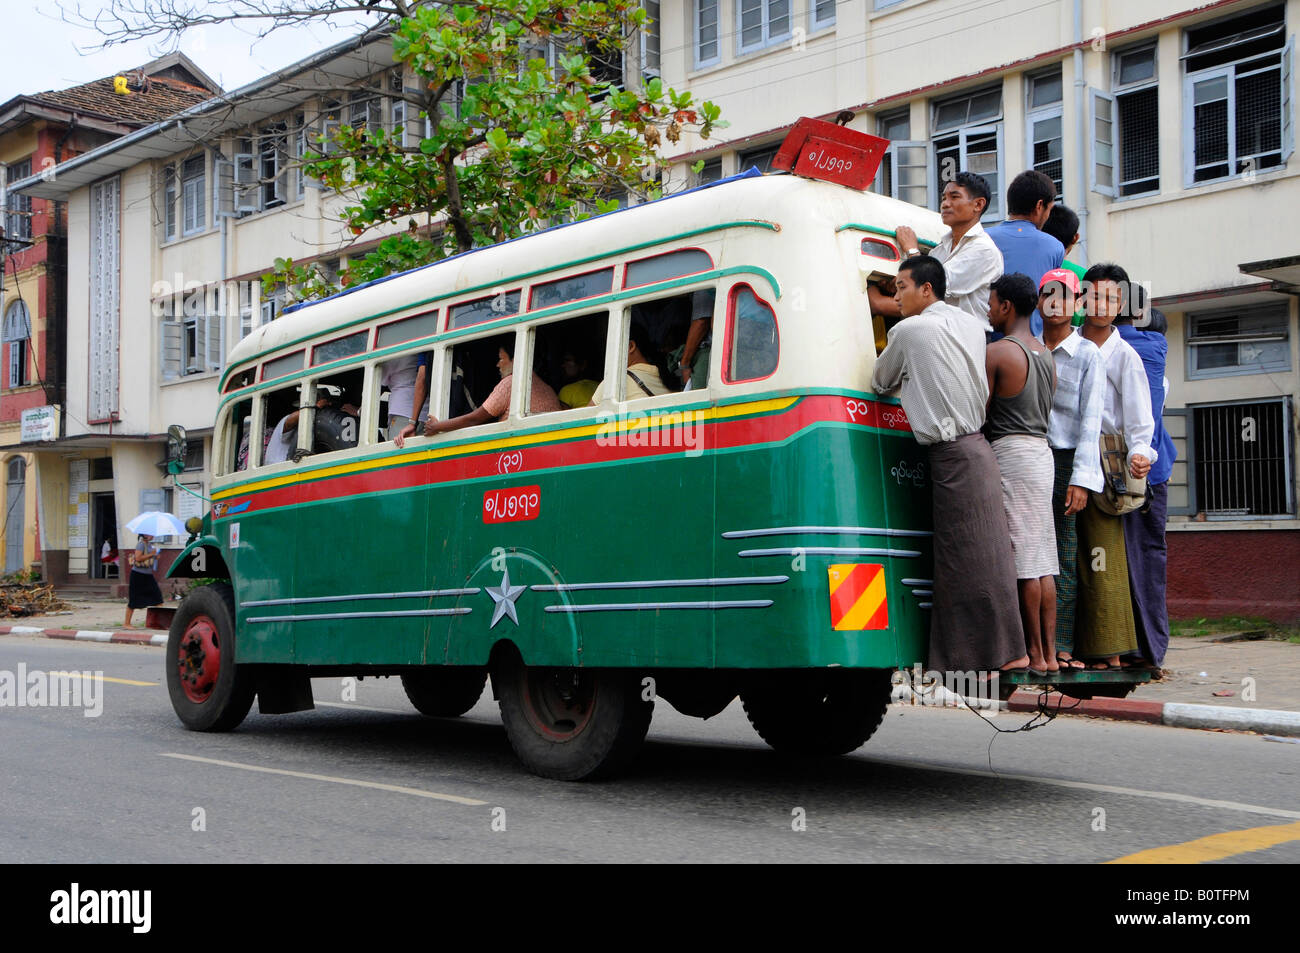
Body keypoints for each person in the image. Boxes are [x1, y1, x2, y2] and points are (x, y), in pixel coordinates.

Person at [871, 255, 1027, 675]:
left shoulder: (909, 330)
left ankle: (988, 657)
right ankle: (1003, 651)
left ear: (926, 289)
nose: (896, 296)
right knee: (987, 555)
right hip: (978, 449)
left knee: (964, 560)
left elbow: (879, 381)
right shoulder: (971, 325)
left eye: (901, 287)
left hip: (952, 456)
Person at [1073, 263, 1156, 670]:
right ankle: (1072, 648)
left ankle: (1110, 652)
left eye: (1111, 298)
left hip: (1106, 470)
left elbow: (1141, 422)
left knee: (1102, 557)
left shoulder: (1125, 356)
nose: (1103, 305)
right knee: (1069, 556)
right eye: (1096, 296)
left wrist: (1142, 452)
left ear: (1120, 304)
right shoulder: (1065, 346)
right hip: (1065, 460)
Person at [985, 273, 1059, 674]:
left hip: (1011, 451)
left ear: (1007, 307)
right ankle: (1047, 653)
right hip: (1041, 453)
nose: (990, 309)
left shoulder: (999, 353)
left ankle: (1033, 652)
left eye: (993, 302)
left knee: (1026, 560)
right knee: (1043, 557)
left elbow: (979, 413)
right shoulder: (1045, 353)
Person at [1038, 268, 1106, 670]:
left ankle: (1062, 644)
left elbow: (1091, 420)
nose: (1056, 303)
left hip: (1066, 462)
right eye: (1048, 295)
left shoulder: (1087, 355)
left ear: (1078, 305)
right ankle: (1034, 646)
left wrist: (1081, 479)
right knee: (1027, 552)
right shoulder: (1027, 349)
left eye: (1064, 296)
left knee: (1063, 551)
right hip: (1029, 459)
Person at [1117, 286, 1176, 668]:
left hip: (1127, 469)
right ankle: (1152, 647)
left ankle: (1134, 648)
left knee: (1121, 560)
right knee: (1150, 558)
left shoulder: (1120, 346)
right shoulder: (1157, 349)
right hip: (1159, 469)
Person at [891, 172, 1003, 334]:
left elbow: (933, 285)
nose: (945, 204)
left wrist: (912, 250)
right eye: (944, 198)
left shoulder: (984, 249)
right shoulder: (940, 249)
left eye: (954, 197)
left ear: (978, 205)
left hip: (967, 337)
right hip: (939, 332)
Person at [422, 336, 561, 437]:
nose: (498, 365)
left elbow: (474, 419)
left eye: (501, 359)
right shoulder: (546, 387)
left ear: (516, 360)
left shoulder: (510, 383)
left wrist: (436, 426)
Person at [984, 171, 1064, 336]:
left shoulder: (982, 238)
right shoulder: (1055, 247)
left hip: (986, 341)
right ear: (1039, 206)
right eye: (1049, 209)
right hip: (1033, 344)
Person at [264, 385, 358, 463]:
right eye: (326, 406)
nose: (327, 412)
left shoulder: (313, 427)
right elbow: (288, 422)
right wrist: (315, 407)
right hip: (277, 471)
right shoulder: (286, 421)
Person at [589, 322, 671, 403]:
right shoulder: (661, 377)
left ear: (631, 346)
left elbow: (586, 415)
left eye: (613, 346)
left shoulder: (615, 382)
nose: (609, 354)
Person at [384, 352, 431, 443]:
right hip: (427, 414)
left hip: (403, 413)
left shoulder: (394, 348)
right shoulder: (422, 349)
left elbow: (380, 377)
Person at [124, 533, 163, 628]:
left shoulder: (149, 544)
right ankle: (127, 623)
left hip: (148, 575)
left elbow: (149, 556)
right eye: (149, 534)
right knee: (134, 599)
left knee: (157, 598)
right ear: (144, 534)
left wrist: (155, 556)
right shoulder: (141, 544)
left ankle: (158, 622)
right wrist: (151, 554)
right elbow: (138, 558)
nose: (152, 535)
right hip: (138, 575)